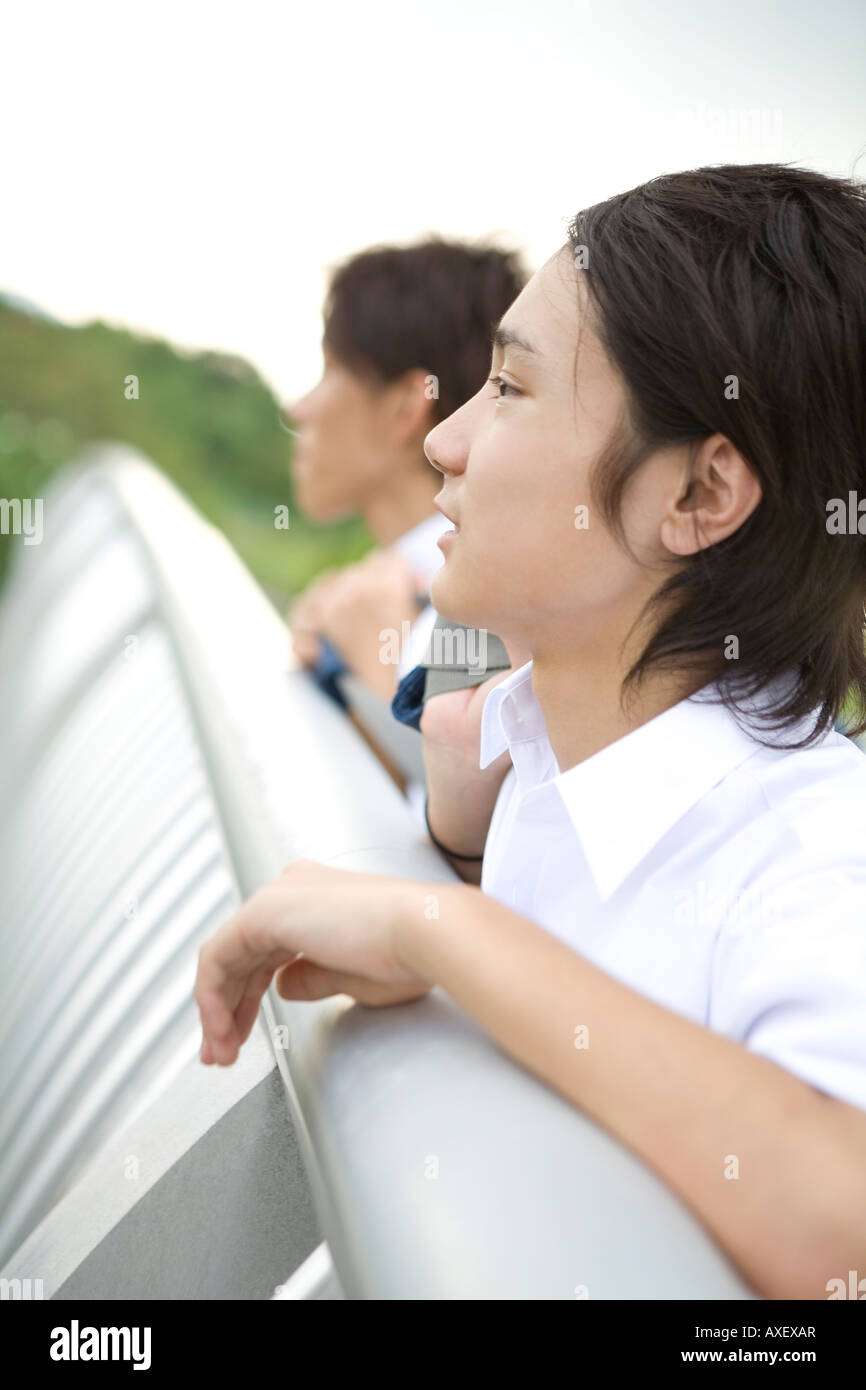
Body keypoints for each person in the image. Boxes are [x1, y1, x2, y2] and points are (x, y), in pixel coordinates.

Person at [195, 164, 866, 1299]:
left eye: (506, 387)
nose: (443, 443)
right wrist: (457, 846)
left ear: (698, 497)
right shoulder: (539, 727)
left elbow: (839, 1227)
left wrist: (437, 927)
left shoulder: (814, 855)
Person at [285, 239, 525, 795]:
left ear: (405, 408)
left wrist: (373, 676)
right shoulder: (394, 591)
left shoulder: (480, 617)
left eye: (329, 369)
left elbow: (473, 858)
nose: (298, 410)